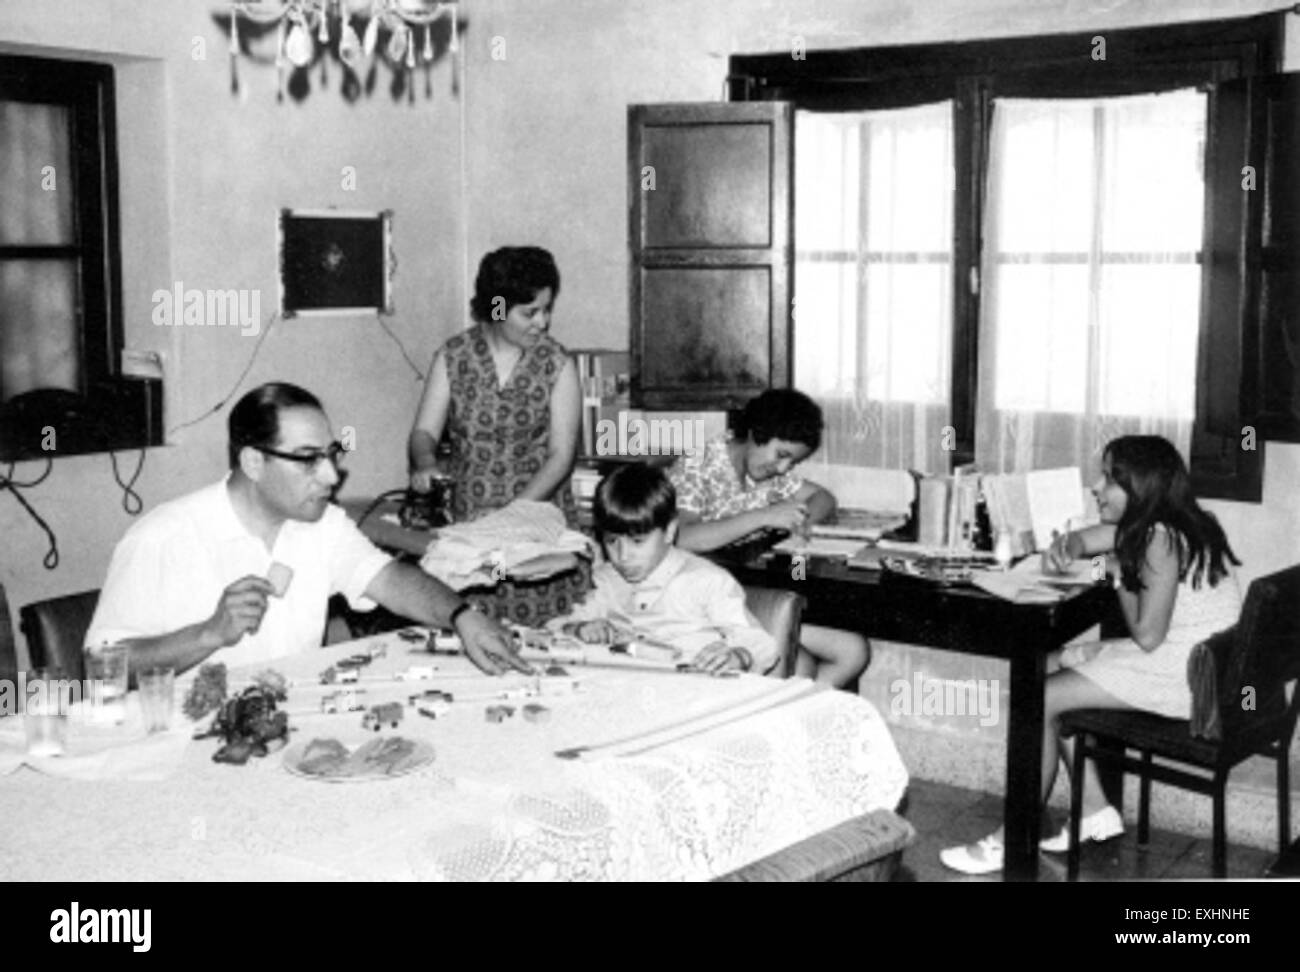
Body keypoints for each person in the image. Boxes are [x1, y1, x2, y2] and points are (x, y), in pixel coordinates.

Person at [940, 435, 1242, 874]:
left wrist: (1118, 576)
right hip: (1197, 662)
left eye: (1108, 480)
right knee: (1046, 664)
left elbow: (1147, 635)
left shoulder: (1159, 539)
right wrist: (1073, 547)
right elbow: (1094, 540)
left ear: (1139, 488)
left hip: (1183, 675)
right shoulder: (1173, 521)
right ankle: (1096, 810)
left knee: (1038, 698)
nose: (1096, 488)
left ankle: (1011, 838)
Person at [87, 382, 529, 678]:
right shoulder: (163, 537)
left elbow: (391, 580)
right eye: (308, 459)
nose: (332, 477)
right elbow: (98, 668)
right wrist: (209, 634)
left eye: (332, 455)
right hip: (185, 747)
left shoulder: (321, 524)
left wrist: (463, 617)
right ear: (253, 462)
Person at [408, 245, 585, 626]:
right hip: (471, 519)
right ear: (498, 308)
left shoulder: (557, 365)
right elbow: (424, 431)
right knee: (474, 623)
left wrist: (512, 517)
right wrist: (425, 462)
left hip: (534, 519)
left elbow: (561, 456)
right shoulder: (453, 356)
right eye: (530, 312)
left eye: (547, 309)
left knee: (540, 635)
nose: (542, 322)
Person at [667, 388, 870, 688]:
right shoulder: (698, 463)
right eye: (782, 455)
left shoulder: (768, 472)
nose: (784, 468)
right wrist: (764, 516)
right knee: (800, 663)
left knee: (853, 651)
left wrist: (800, 521)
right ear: (756, 432)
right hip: (701, 604)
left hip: (745, 596)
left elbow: (823, 498)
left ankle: (795, 721)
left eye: (792, 462)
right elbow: (683, 537)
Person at [549, 463, 779, 676]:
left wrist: (738, 656)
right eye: (611, 542)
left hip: (694, 693)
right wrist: (579, 628)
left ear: (669, 531)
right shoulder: (609, 579)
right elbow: (557, 627)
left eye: (638, 541)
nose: (623, 556)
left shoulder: (706, 581)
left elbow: (763, 645)